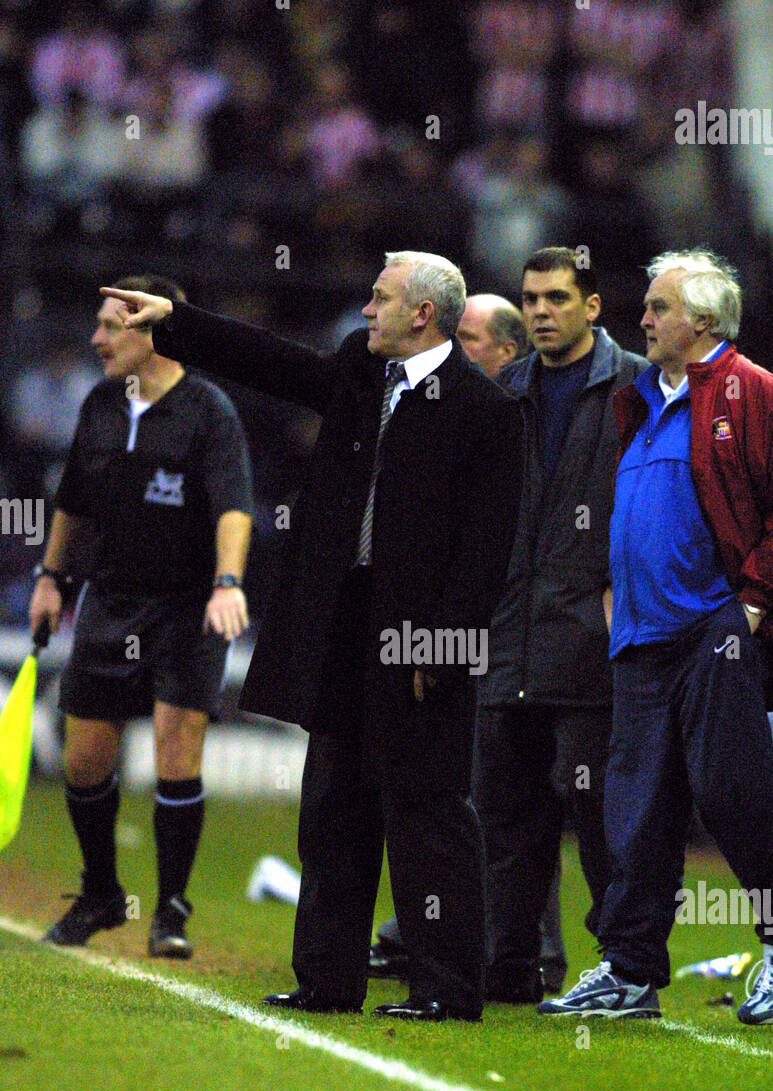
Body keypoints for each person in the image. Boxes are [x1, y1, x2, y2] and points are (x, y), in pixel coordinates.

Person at [105, 251, 524, 1021]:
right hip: (342, 622)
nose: (366, 310)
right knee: (331, 803)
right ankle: (328, 978)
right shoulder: (361, 378)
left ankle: (446, 987)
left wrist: (445, 642)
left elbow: (485, 550)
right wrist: (176, 324)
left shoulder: (487, 413)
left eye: (379, 298)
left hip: (420, 639)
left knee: (427, 807)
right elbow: (274, 364)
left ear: (421, 312)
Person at [540, 249, 773, 1024]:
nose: (642, 319)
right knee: (633, 811)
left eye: (658, 308)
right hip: (640, 637)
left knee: (731, 792)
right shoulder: (640, 401)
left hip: (715, 629)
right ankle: (630, 971)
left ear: (703, 320)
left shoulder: (759, 395)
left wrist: (747, 608)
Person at [29, 275, 253, 960]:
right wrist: (50, 577)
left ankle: (171, 908)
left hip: (186, 609)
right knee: (85, 760)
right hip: (109, 600)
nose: (96, 339)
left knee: (175, 749)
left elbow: (234, 507)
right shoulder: (98, 405)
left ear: (154, 328)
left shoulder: (208, 410)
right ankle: (100, 893)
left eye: (110, 326)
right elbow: (73, 501)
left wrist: (226, 583)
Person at [368, 290, 566, 991]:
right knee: (482, 792)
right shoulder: (455, 413)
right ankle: (453, 939)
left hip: (521, 636)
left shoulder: (506, 420)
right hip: (489, 633)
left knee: (514, 799)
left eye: (474, 339)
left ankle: (526, 950)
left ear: (505, 355)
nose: (459, 346)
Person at [472, 247, 647, 1003]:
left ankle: (622, 968)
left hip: (591, 639)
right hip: (508, 639)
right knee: (505, 818)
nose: (540, 310)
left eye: (555, 297)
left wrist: (627, 597)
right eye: (530, 298)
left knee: (601, 818)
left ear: (592, 306)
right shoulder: (504, 391)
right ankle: (507, 966)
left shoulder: (637, 386)